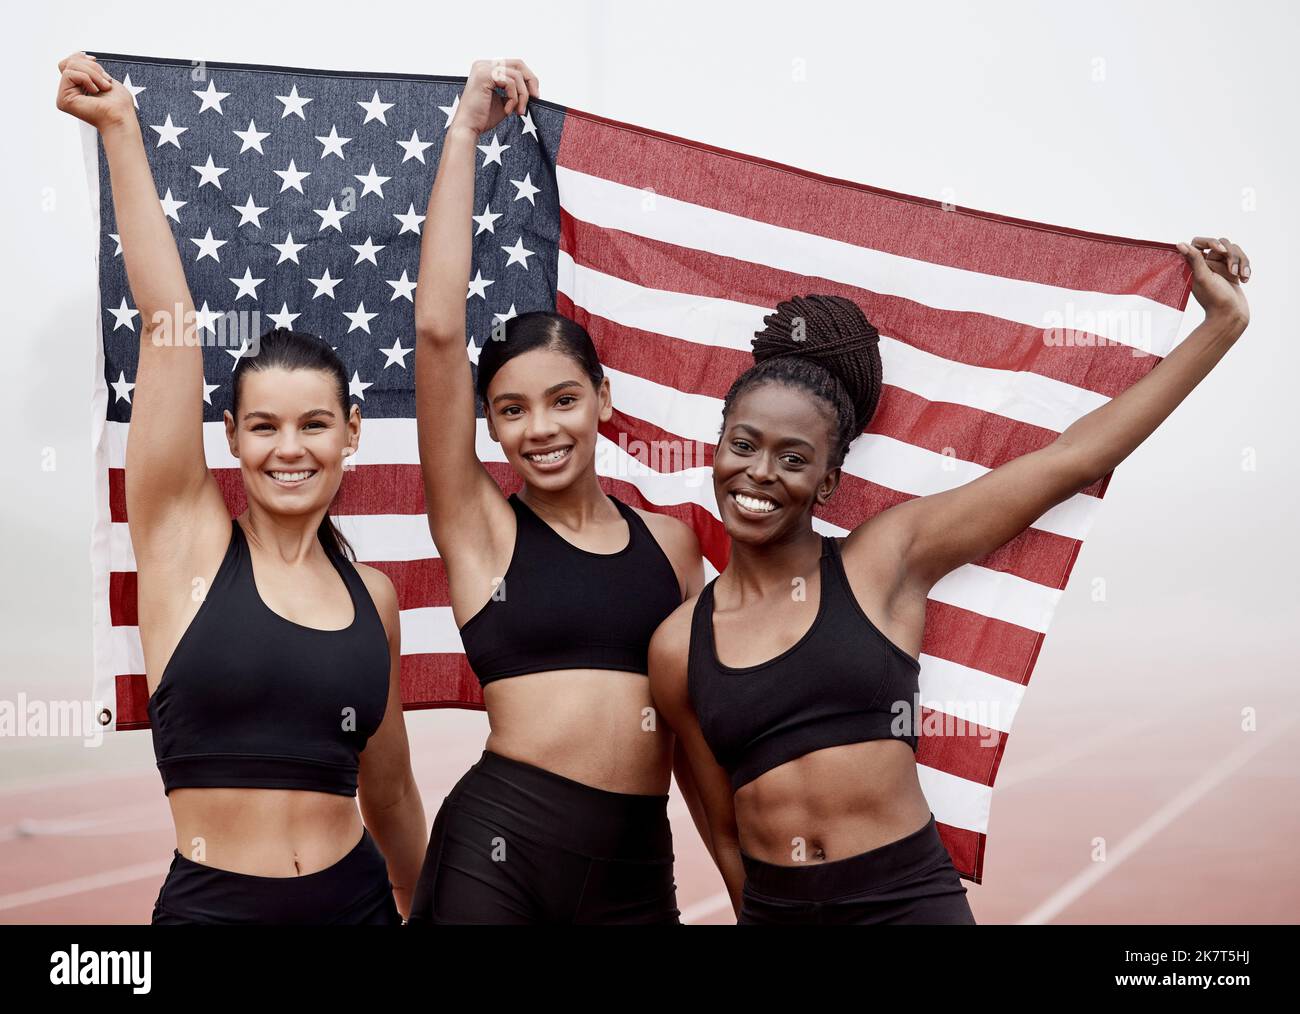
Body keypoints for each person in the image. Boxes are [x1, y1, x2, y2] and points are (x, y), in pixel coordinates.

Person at [650, 245, 1251, 924]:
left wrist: (1221, 325)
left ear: (828, 481)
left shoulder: (884, 561)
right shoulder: (678, 646)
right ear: (716, 446)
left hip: (908, 902)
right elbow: (723, 831)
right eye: (743, 444)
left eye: (793, 458)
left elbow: (1073, 458)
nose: (759, 473)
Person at [56, 51, 426, 924]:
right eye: (263, 426)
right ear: (231, 437)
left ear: (350, 434)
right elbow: (168, 325)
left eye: (312, 425)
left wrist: (420, 906)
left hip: (358, 905)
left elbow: (395, 793)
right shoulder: (184, 543)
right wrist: (121, 134)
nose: (288, 449)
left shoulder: (372, 597)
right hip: (213, 911)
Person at [404, 58, 707, 925]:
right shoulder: (480, 530)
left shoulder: (672, 545)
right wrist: (463, 135)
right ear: (490, 427)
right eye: (511, 409)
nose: (541, 427)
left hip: (635, 870)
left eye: (563, 400)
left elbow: (693, 737)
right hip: (503, 855)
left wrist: (746, 871)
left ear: (604, 402)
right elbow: (435, 331)